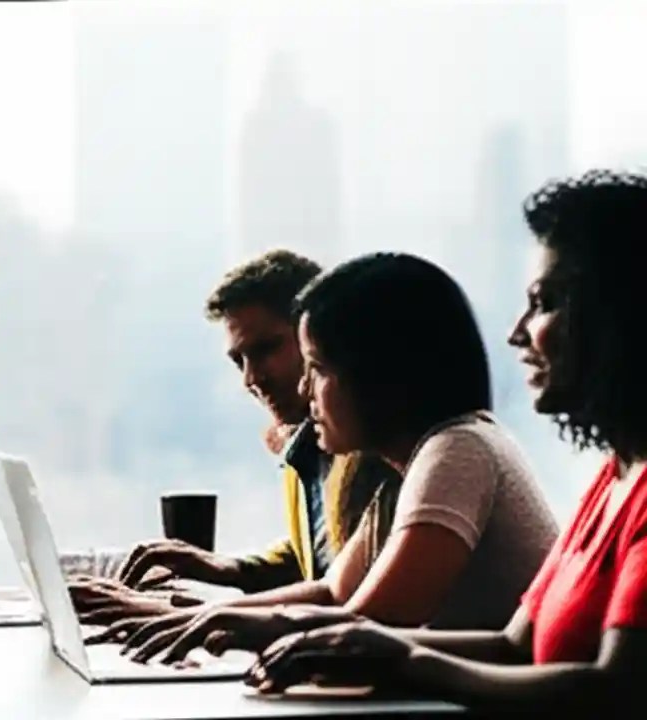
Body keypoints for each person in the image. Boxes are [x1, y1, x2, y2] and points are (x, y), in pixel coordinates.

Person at [245, 170, 647, 715]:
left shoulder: (460, 449)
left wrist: (401, 658)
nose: (518, 331)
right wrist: (372, 650)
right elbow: (515, 646)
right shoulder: (615, 477)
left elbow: (618, 690)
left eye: (546, 301)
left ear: (619, 316)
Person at [93, 252, 558, 664]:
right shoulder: (416, 464)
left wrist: (216, 623)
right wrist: (186, 613)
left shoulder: (458, 451)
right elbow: (334, 590)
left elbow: (369, 624)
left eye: (316, 369)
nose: (302, 388)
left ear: (375, 374)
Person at [69, 250, 401, 623]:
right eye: (238, 360)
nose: (251, 378)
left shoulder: (375, 452)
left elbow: (345, 597)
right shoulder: (303, 443)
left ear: (316, 336)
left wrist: (179, 613)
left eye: (266, 350)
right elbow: (318, 560)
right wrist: (225, 568)